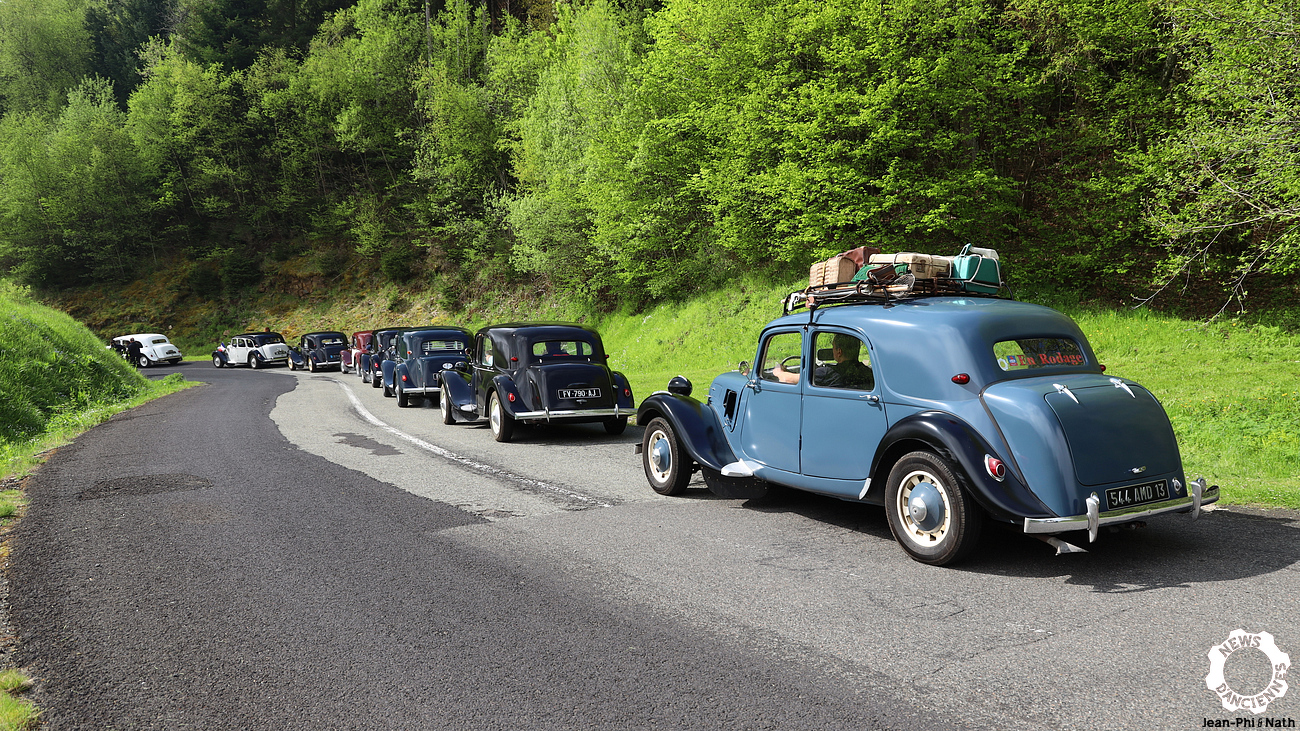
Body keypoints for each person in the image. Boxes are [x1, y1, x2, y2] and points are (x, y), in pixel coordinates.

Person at [772, 333, 873, 390]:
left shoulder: (826, 373)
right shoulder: (867, 372)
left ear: (839, 352)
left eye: (833, 347)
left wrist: (778, 371)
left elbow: (787, 379)